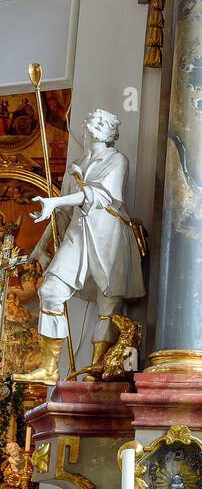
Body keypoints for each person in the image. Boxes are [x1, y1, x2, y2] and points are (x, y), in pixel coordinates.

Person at [12, 109, 145, 385]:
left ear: (110, 132)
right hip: (78, 233)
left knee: (109, 304)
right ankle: (49, 369)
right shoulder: (76, 163)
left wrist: (56, 203)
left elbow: (98, 195)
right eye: (89, 121)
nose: (91, 126)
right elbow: (61, 212)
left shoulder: (117, 160)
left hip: (108, 235)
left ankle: (96, 369)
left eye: (99, 122)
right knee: (50, 290)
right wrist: (40, 245)